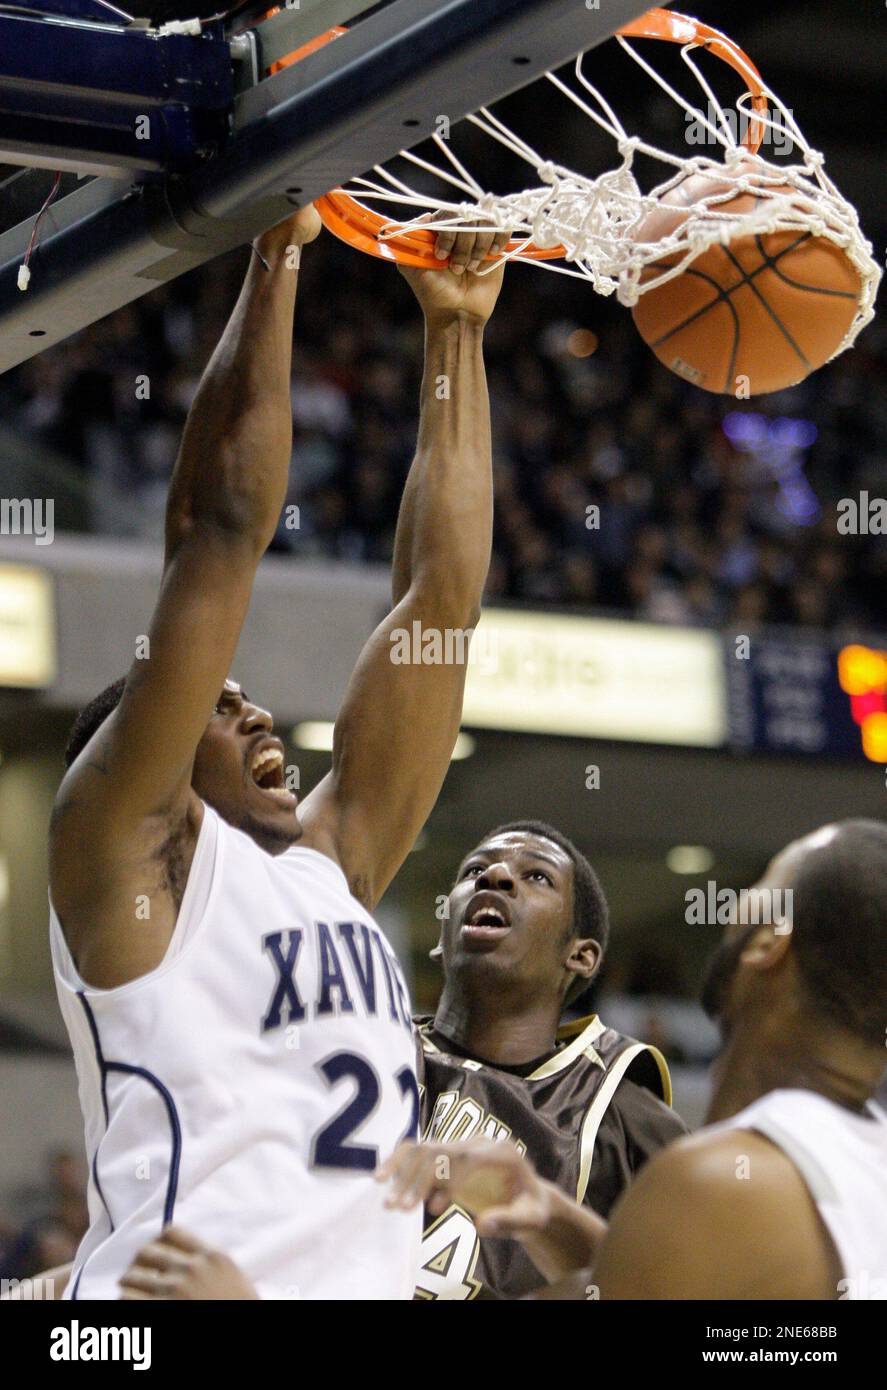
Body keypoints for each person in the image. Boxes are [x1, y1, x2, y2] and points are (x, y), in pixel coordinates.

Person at [48, 206, 509, 1299]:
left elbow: (437, 601)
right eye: (223, 706)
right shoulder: (122, 855)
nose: (258, 720)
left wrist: (454, 335)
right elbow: (219, 526)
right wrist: (276, 244)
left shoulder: (329, 867)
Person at [116, 819, 685, 1301]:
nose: (496, 876)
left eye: (535, 876)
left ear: (581, 956)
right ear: (440, 938)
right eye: (473, 872)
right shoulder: (352, 1044)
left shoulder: (621, 1110)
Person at [381, 821, 887, 1300]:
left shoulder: (705, 1168)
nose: (495, 877)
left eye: (756, 893)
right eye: (473, 871)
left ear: (768, 945)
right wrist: (549, 1213)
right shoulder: (862, 1163)